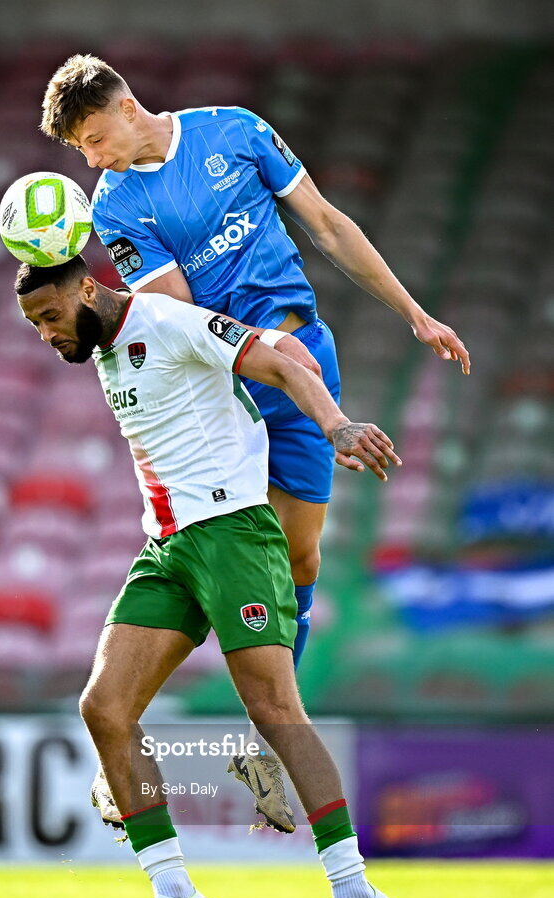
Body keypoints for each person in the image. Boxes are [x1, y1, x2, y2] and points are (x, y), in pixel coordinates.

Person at [40, 54, 471, 831]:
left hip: (308, 360)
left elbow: (329, 224)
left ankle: (252, 742)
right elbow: (174, 315)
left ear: (127, 105)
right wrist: (271, 357)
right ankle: (129, 730)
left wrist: (413, 312)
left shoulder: (234, 133)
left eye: (94, 140)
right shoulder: (116, 205)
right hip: (231, 383)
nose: (93, 160)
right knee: (222, 554)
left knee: (300, 559)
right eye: (82, 152)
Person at [15, 255, 400, 898]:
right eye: (35, 325)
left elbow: (278, 359)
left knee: (273, 709)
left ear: (87, 290)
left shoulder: (166, 320)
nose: (44, 333)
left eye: (50, 317)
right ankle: (174, 893)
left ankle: (357, 894)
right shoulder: (103, 354)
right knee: (104, 708)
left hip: (232, 535)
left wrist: (335, 424)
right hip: (166, 548)